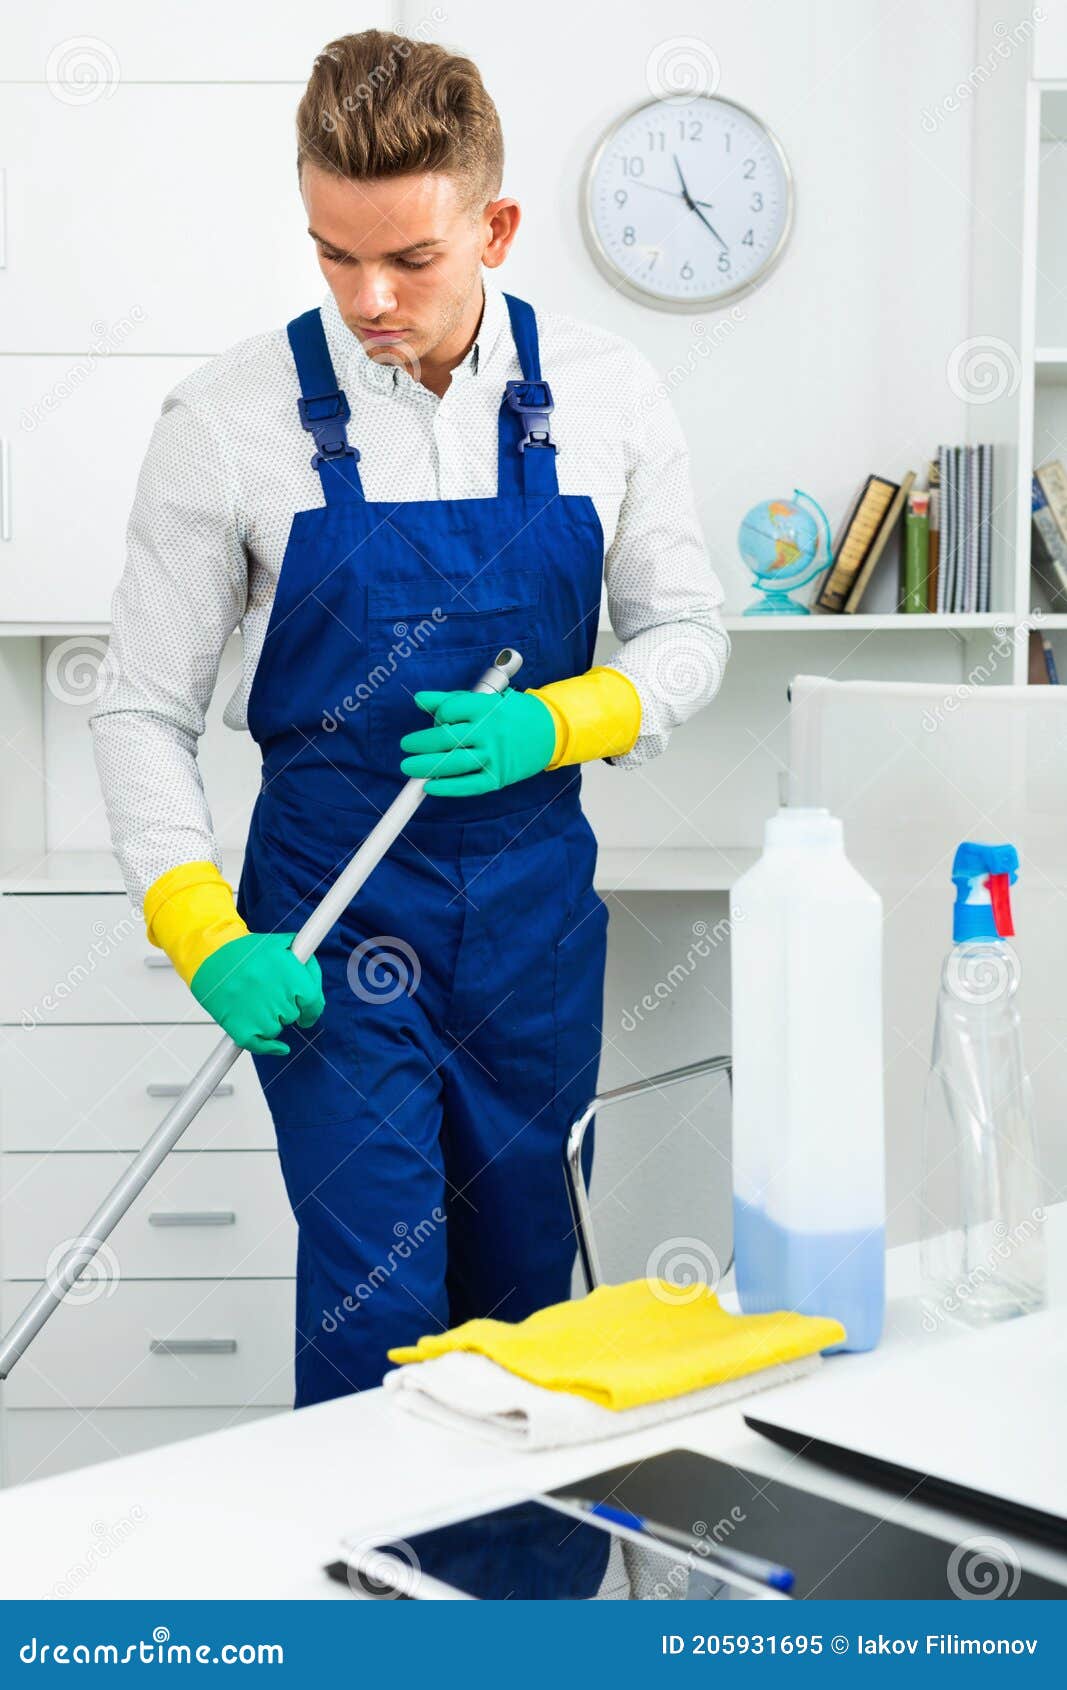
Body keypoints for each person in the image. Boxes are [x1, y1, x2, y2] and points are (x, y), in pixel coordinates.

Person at [90, 29, 729, 1411]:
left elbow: (690, 629)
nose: (368, 295)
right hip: (327, 930)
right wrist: (203, 927)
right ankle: (369, 1616)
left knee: (525, 1311)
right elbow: (138, 706)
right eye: (333, 253)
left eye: (411, 259)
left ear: (493, 224)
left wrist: (566, 718)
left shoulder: (610, 393)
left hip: (531, 934)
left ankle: (516, 1617)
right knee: (378, 1299)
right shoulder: (225, 418)